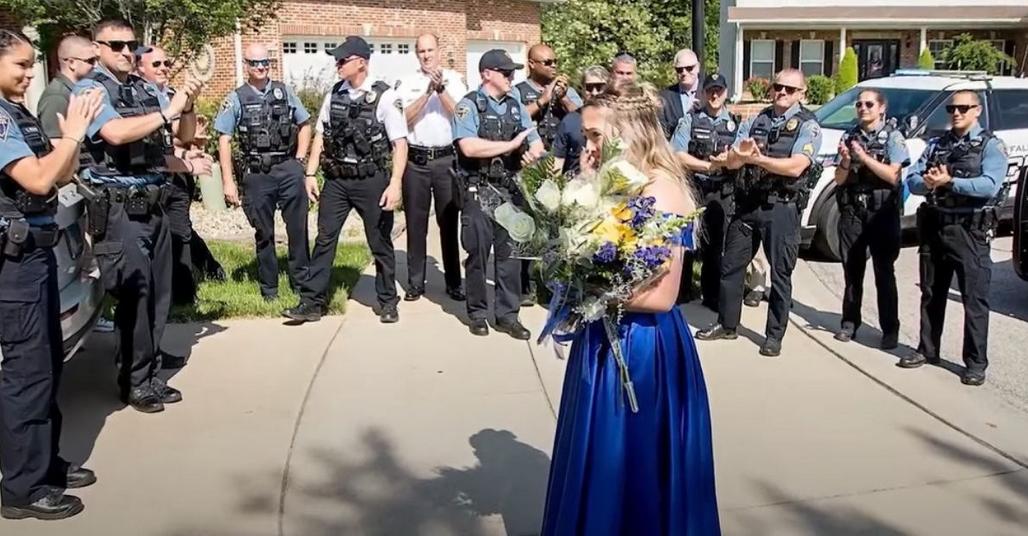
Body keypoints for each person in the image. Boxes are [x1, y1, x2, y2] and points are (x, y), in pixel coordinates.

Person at [541, 82, 720, 535]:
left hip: (643, 348)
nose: (589, 146)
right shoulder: (619, 180)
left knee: (633, 463)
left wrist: (588, 292)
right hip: (603, 337)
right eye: (587, 135)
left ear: (631, 132)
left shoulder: (662, 191)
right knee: (597, 455)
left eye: (597, 136)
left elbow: (661, 296)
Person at [75, 18, 209, 412]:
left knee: (159, 293)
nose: (124, 52)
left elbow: (183, 137)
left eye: (130, 45)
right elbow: (115, 134)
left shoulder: (143, 88)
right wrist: (169, 111)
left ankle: (149, 373)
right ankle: (134, 381)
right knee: (137, 295)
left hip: (154, 204)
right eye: (114, 45)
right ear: (97, 47)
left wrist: (189, 103)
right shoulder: (91, 89)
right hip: (119, 209)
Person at [0, 30, 102, 522]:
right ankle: (22, 488)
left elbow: (58, 173)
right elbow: (38, 178)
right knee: (27, 374)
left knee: (47, 367)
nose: (27, 74)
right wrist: (74, 137)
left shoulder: (16, 113)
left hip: (35, 257)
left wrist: (69, 144)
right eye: (19, 65)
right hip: (11, 268)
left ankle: (46, 464)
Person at [696, 69, 822, 357]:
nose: (782, 93)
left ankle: (773, 336)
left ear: (802, 93)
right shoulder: (757, 119)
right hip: (748, 202)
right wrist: (731, 158)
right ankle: (727, 325)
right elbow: (735, 157)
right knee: (731, 267)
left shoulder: (808, 126)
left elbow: (796, 166)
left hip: (781, 206)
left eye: (790, 89)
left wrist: (757, 159)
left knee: (780, 275)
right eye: (778, 87)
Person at [284, 36, 407, 324]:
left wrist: (395, 183)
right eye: (336, 60)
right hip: (337, 181)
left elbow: (399, 144)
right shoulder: (334, 93)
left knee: (379, 242)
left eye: (342, 60)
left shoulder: (385, 96)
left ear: (361, 63)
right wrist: (311, 174)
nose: (336, 64)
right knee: (325, 239)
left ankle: (388, 301)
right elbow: (321, 134)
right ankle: (312, 303)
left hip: (371, 179)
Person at [898, 90, 1007, 386]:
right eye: (952, 108)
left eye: (963, 108)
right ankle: (927, 349)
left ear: (977, 111)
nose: (956, 113)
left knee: (974, 299)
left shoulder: (990, 146)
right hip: (935, 224)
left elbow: (989, 185)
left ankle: (975, 363)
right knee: (932, 292)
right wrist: (930, 182)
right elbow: (913, 179)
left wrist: (950, 181)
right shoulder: (938, 144)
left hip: (969, 229)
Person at [451, 49, 544, 338]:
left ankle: (507, 315)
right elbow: (468, 147)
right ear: (486, 74)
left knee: (510, 257)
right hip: (479, 189)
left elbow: (535, 141)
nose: (511, 77)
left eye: (512, 72)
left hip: (508, 190)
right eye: (505, 73)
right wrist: (511, 146)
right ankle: (477, 313)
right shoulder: (468, 106)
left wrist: (532, 154)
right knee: (478, 254)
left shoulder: (515, 103)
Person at [215, 44, 312, 302]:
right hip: (256, 172)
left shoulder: (285, 91)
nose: (260, 67)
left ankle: (302, 284)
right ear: (246, 65)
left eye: (265, 63)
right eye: (255, 63)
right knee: (264, 233)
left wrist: (300, 160)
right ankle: (269, 289)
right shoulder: (236, 98)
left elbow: (304, 124)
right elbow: (224, 139)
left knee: (298, 228)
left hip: (287, 168)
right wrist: (228, 181)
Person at [137, 45, 224, 313]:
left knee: (181, 234)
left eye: (167, 63)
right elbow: (145, 144)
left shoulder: (171, 94)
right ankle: (155, 299)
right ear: (139, 67)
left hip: (175, 177)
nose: (164, 68)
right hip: (149, 179)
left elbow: (183, 135)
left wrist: (188, 107)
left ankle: (185, 297)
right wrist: (185, 158)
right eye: (157, 64)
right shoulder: (135, 97)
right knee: (152, 239)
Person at [833, 89, 909, 349]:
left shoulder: (893, 138)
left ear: (881, 108)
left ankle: (890, 329)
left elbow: (893, 176)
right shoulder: (850, 136)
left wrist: (864, 158)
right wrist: (845, 161)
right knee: (852, 271)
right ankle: (850, 323)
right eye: (859, 104)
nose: (863, 108)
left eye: (869, 104)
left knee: (884, 272)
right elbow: (839, 179)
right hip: (854, 210)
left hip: (882, 212)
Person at [394, 33, 466, 303]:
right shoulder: (407, 83)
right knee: (415, 224)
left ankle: (453, 282)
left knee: (449, 222)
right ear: (416, 54)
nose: (426, 55)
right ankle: (415, 283)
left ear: (439, 50)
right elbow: (403, 120)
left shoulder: (455, 80)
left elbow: (461, 116)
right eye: (421, 51)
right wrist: (426, 93)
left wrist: (441, 91)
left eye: (430, 50)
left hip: (446, 160)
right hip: (417, 161)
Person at [671, 72, 739, 311]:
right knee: (687, 242)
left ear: (726, 93)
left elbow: (740, 156)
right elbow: (677, 154)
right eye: (710, 90)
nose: (714, 95)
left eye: (719, 90)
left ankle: (711, 297)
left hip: (721, 192)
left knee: (714, 246)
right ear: (702, 92)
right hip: (695, 188)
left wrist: (726, 161)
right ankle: (681, 292)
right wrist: (708, 166)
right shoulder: (689, 121)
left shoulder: (735, 124)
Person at [515, 44, 583, 150]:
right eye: (547, 63)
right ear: (532, 64)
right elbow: (515, 118)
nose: (553, 66)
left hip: (560, 156)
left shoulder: (567, 91)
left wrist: (564, 99)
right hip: (530, 156)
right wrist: (542, 101)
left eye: (555, 62)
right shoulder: (517, 91)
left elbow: (582, 119)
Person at [36, 35, 96, 140]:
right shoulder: (56, 97)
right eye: (90, 61)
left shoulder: (76, 90)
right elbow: (55, 145)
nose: (95, 66)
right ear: (71, 63)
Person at [552, 65, 608, 176]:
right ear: (582, 89)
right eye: (589, 88)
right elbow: (556, 166)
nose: (594, 92)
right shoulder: (570, 121)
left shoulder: (618, 119)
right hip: (575, 188)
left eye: (599, 87)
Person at [659, 48, 701, 139]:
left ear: (698, 67)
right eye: (679, 70)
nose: (684, 73)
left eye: (689, 68)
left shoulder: (710, 94)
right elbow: (662, 133)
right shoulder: (665, 97)